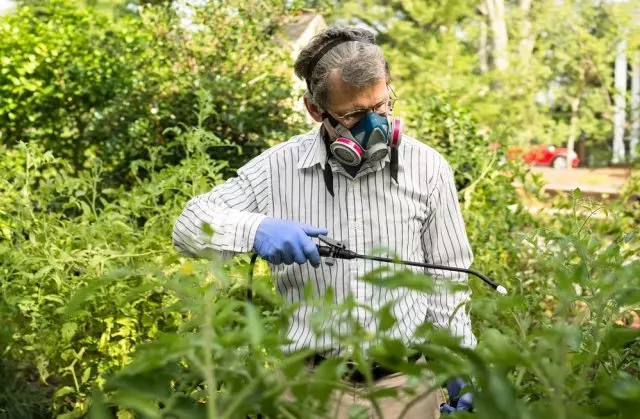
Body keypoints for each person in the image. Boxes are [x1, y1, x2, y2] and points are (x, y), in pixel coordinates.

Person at [173, 26, 475, 419]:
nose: (375, 127)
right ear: (315, 110)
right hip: (308, 388)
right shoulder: (277, 169)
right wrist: (257, 229)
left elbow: (447, 282)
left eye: (381, 107)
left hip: (407, 387)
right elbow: (188, 227)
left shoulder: (428, 168)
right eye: (353, 115)